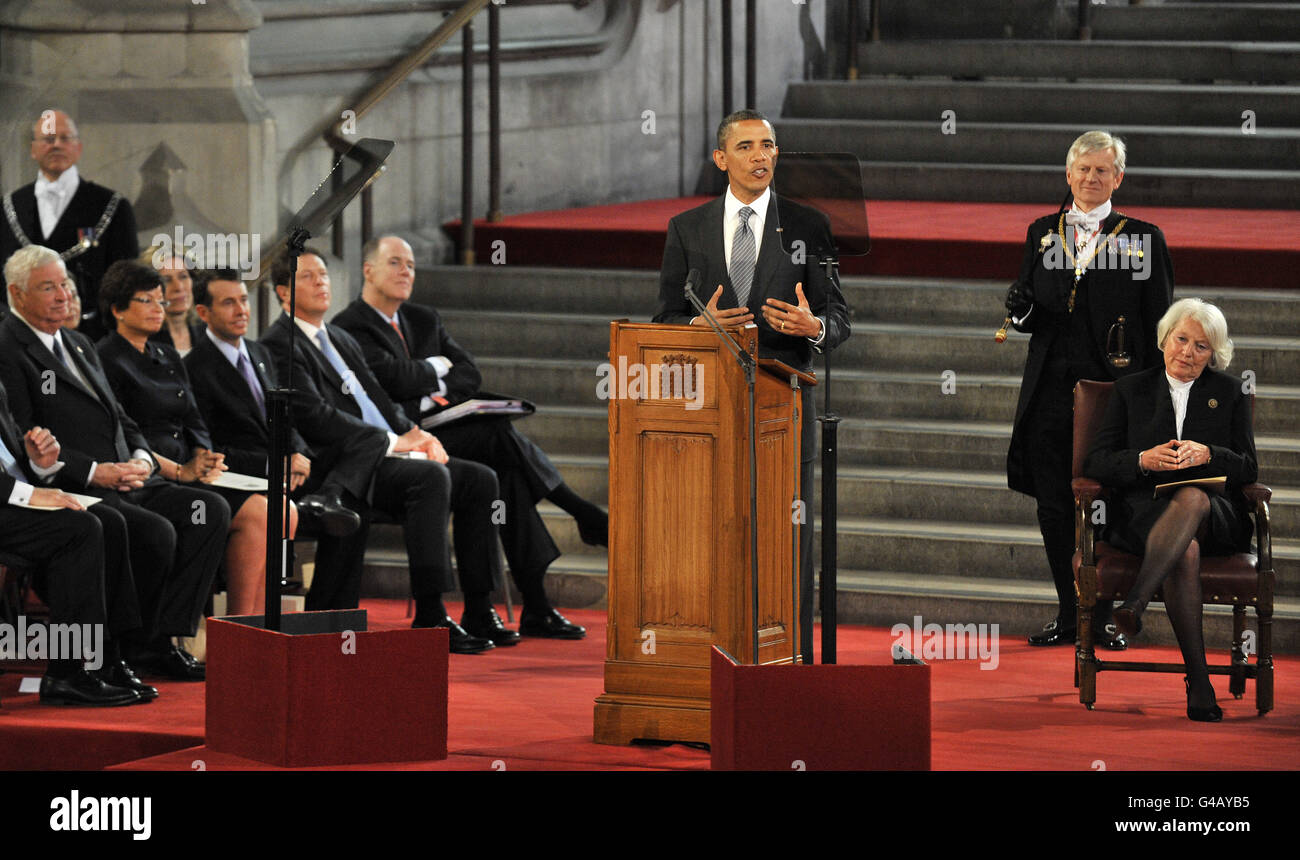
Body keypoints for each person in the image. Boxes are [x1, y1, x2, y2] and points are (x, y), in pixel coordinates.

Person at [332, 234, 600, 641]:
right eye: (395, 263)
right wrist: (436, 368)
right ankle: (570, 520)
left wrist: (428, 381)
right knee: (497, 439)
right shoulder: (349, 327)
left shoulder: (423, 319)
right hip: (398, 442)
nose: (407, 271)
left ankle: (515, 605)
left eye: (412, 265)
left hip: (449, 430)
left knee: (503, 474)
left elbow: (469, 373)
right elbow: (387, 378)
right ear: (368, 270)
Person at [653, 108, 850, 654]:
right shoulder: (687, 228)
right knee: (710, 533)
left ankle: (790, 655)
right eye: (746, 147)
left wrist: (815, 328)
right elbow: (664, 319)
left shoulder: (809, 225)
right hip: (708, 410)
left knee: (786, 536)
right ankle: (709, 653)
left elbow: (839, 318)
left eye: (768, 145)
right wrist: (700, 324)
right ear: (721, 159)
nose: (760, 156)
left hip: (782, 408)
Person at [260, 248, 510, 653]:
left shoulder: (338, 337)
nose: (321, 283)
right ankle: (431, 613)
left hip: (385, 452)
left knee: (480, 480)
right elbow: (316, 418)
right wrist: (393, 442)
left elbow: (379, 399)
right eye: (308, 277)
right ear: (284, 292)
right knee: (431, 478)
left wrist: (415, 433)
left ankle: (479, 607)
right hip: (341, 466)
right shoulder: (279, 344)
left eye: (324, 274)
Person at [0, 245, 229, 681]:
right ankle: (119, 648)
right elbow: (26, 438)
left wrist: (142, 459)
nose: (63, 294)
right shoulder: (9, 348)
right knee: (151, 531)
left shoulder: (80, 344)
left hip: (126, 476)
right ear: (17, 293)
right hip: (78, 483)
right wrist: (93, 471)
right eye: (48, 287)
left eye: (64, 283)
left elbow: (121, 417)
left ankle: (159, 639)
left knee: (206, 512)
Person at [1004, 130, 1174, 650]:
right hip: (1052, 391)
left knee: (1110, 503)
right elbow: (1031, 316)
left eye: (1104, 170)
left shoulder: (1142, 238)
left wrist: (1154, 399)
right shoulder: (1043, 233)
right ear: (1068, 175)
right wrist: (1019, 308)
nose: (1093, 178)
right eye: (1085, 169)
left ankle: (1102, 614)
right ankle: (1068, 610)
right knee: (1054, 506)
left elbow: (1161, 326)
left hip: (1115, 397)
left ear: (1118, 178)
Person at [1083, 299, 1254, 721]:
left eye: (1201, 347)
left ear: (1214, 354)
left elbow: (1248, 466)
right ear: (1164, 338)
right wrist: (1142, 460)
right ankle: (1199, 681)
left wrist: (1209, 453)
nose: (1188, 353)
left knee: (1194, 499)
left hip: (1216, 514)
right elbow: (1096, 461)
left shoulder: (1230, 391)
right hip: (1144, 512)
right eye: (1182, 339)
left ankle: (1136, 603)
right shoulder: (1130, 389)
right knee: (1186, 551)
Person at [95, 261, 298, 618]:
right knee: (256, 515)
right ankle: (236, 624)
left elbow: (194, 418)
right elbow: (124, 431)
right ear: (117, 309)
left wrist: (205, 454)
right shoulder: (105, 358)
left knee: (282, 510)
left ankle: (259, 623)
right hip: (151, 473)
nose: (159, 309)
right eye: (147, 301)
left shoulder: (167, 354)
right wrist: (177, 469)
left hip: (191, 468)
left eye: (161, 302)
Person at [0, 389, 145, 705]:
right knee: (79, 529)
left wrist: (40, 467)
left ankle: (107, 659)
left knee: (109, 520)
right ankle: (65, 673)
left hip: (14, 496)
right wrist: (26, 494)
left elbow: (12, 456)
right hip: (8, 501)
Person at [0, 110, 139, 340]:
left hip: (94, 338)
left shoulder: (112, 206)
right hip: (20, 341)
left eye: (65, 138)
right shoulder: (9, 207)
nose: (56, 145)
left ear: (78, 147)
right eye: (48, 138)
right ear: (33, 149)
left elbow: (125, 282)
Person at [146, 252, 204, 355]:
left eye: (183, 277)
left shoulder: (209, 332)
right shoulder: (145, 341)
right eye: (167, 280)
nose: (179, 287)